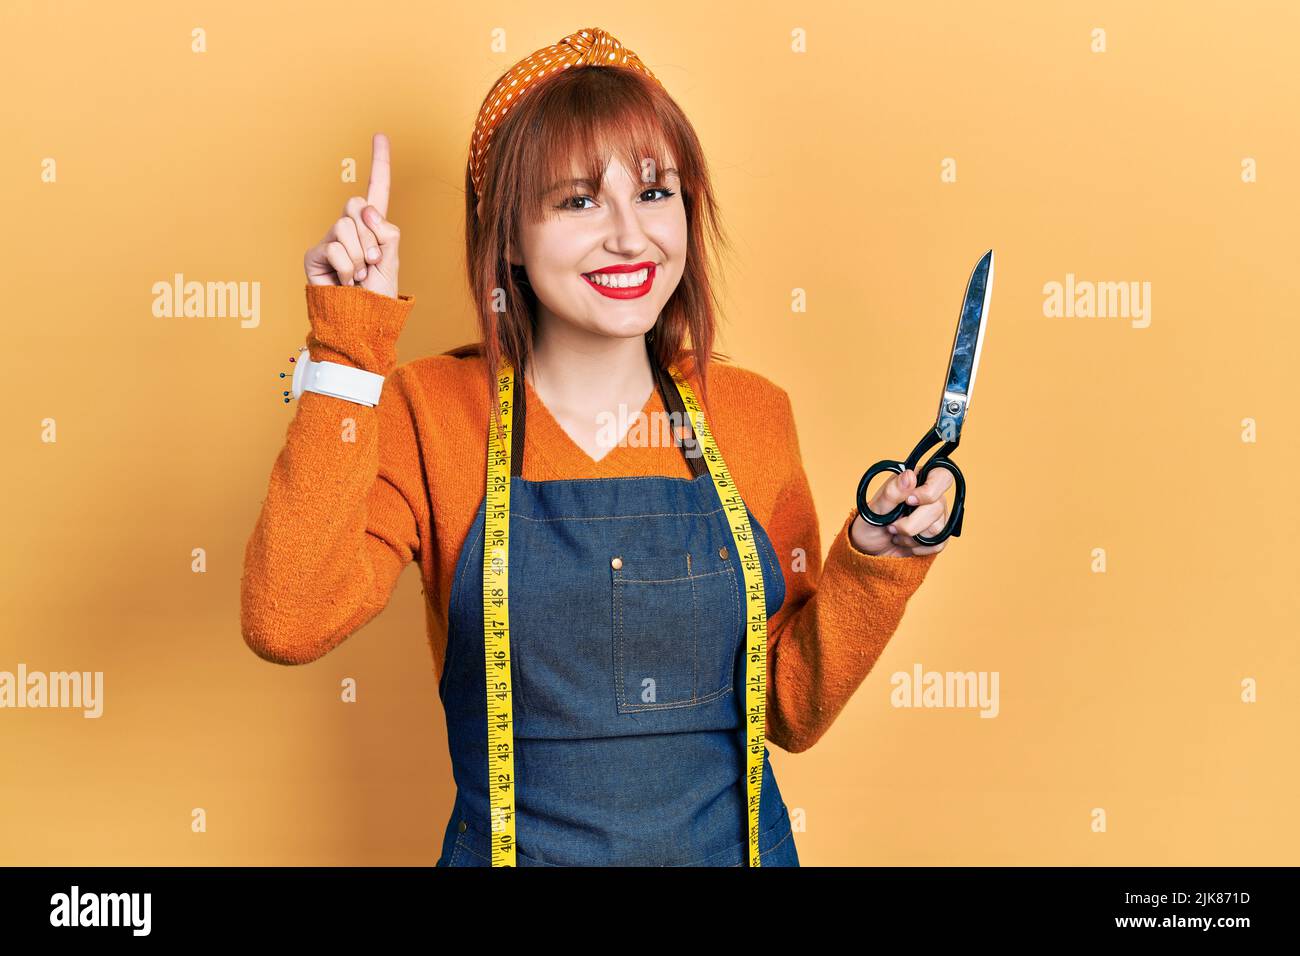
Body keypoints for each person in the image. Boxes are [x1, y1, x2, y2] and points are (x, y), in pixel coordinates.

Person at [240, 26, 953, 867]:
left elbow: (787, 711)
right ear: (506, 237)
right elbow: (287, 619)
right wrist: (348, 351)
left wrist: (876, 557)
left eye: (656, 193)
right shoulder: (430, 413)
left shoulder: (751, 416)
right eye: (578, 200)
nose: (629, 236)